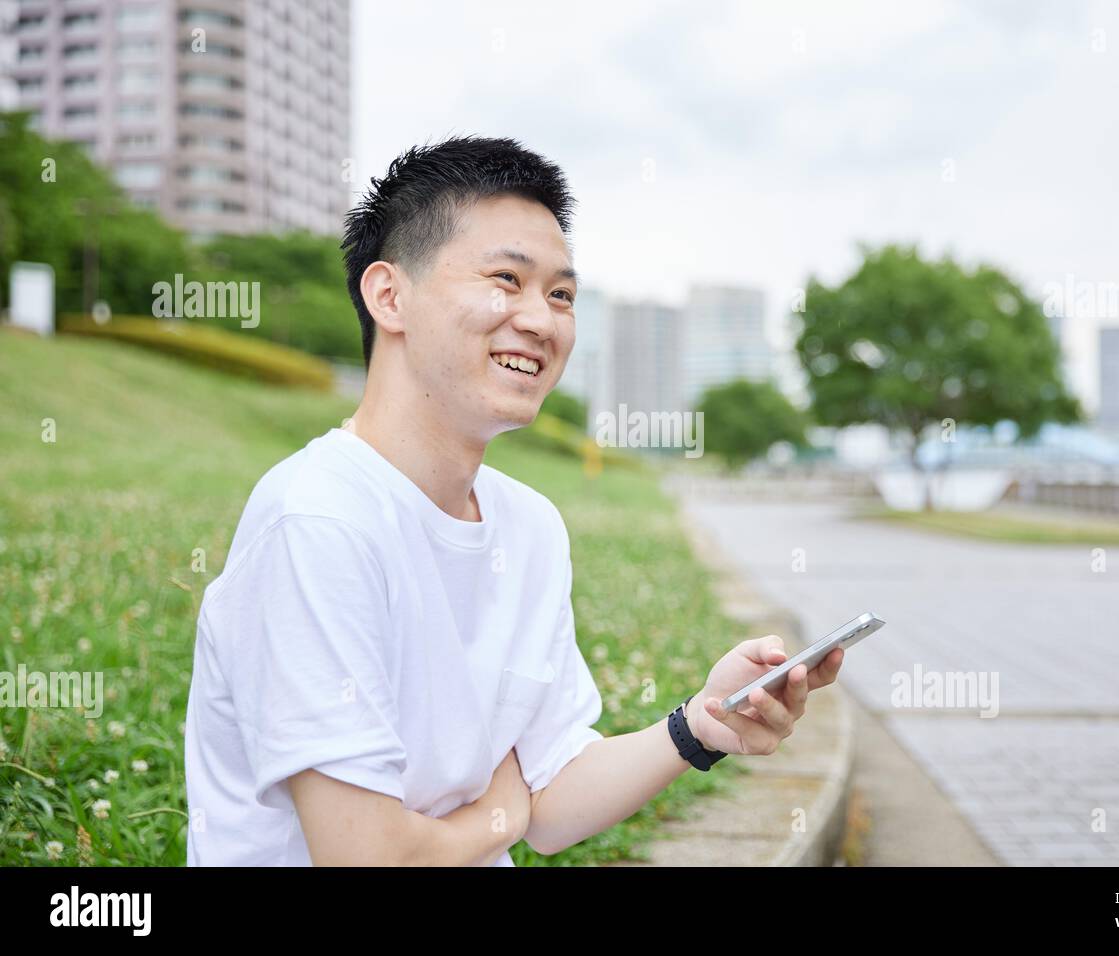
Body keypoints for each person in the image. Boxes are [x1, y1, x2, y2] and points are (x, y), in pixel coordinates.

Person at [182, 135, 845, 866]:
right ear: (389, 295)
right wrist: (500, 813)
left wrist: (702, 724)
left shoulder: (529, 526)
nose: (541, 319)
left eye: (560, 294)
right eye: (506, 278)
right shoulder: (317, 520)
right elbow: (367, 856)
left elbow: (552, 800)